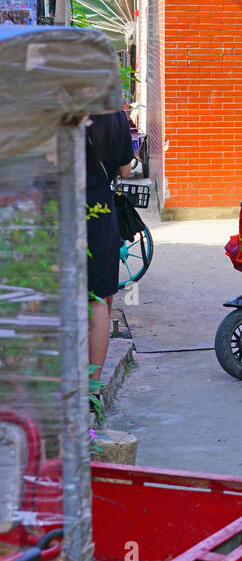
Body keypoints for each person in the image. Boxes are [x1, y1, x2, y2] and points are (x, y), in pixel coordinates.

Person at [85, 110, 134, 376]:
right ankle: (92, 387)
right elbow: (125, 169)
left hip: (57, 207)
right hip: (100, 211)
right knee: (99, 296)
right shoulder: (115, 114)